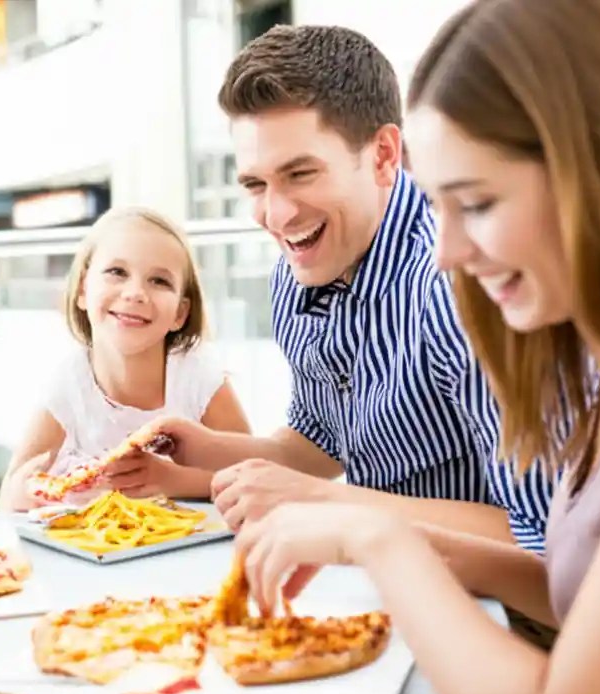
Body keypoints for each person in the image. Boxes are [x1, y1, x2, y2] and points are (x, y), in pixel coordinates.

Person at [235, 1, 600, 694]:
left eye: (475, 204)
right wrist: (361, 535)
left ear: (599, 169)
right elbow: (589, 597)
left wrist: (378, 539)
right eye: (438, 206)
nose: (446, 252)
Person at [142, 25, 555, 551]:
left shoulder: (463, 286)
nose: (276, 215)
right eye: (255, 184)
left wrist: (322, 502)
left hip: (483, 595)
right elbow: (320, 442)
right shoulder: (299, 271)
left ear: (383, 155)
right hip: (377, 574)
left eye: (300, 174)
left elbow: (543, 537)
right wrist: (205, 449)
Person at [0, 207, 251, 510]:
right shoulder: (69, 386)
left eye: (159, 281)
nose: (135, 293)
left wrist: (173, 480)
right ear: (82, 289)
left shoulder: (198, 379)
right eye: (117, 272)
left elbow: (254, 477)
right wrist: (33, 493)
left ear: (180, 313)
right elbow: (10, 495)